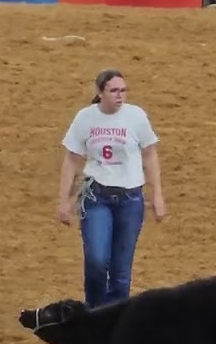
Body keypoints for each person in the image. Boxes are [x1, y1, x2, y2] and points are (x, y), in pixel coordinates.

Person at [56, 68, 167, 309]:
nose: (120, 96)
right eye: (114, 91)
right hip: (97, 196)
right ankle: (95, 311)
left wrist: (157, 194)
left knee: (121, 269)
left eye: (123, 90)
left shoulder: (136, 117)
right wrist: (63, 199)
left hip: (130, 198)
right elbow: (72, 158)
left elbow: (150, 155)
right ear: (100, 93)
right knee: (96, 260)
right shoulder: (85, 118)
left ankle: (115, 317)